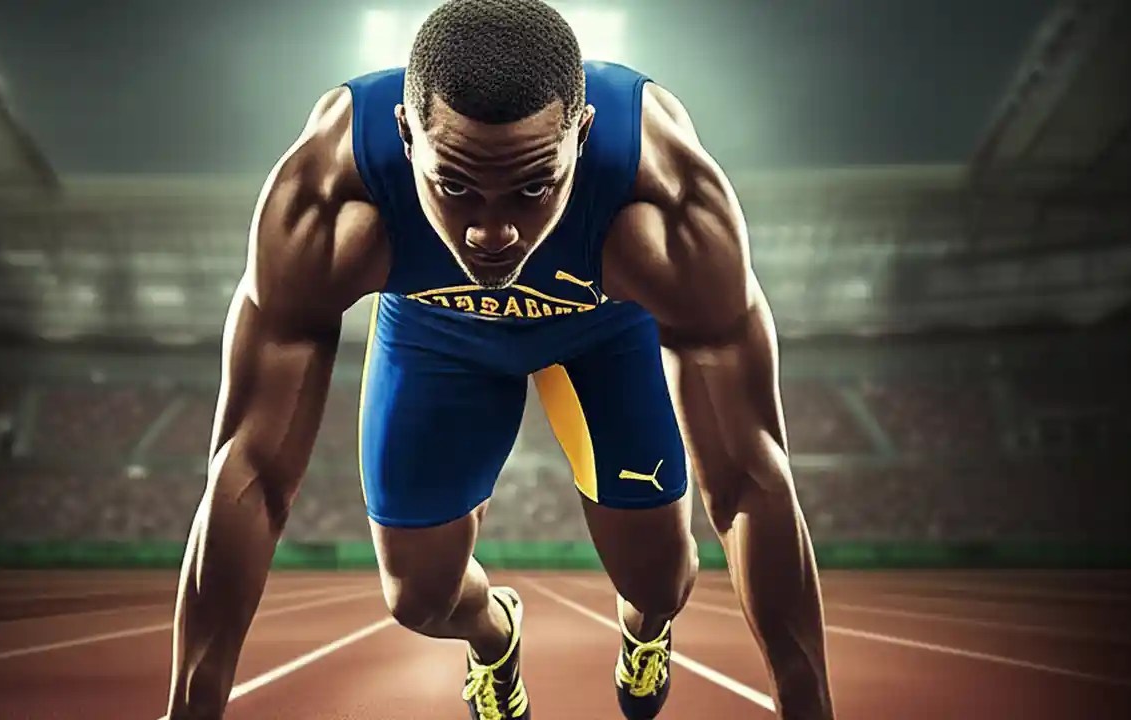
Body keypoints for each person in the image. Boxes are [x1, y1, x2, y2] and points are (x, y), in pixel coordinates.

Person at [166, 1, 834, 718]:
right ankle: (495, 636)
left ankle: (644, 623)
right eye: (454, 186)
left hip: (601, 335)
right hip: (438, 330)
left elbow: (748, 480)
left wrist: (807, 702)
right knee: (418, 600)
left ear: (582, 136)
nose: (493, 232)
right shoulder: (333, 196)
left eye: (533, 187)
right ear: (405, 134)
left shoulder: (665, 206)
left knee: (661, 582)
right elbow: (250, 472)